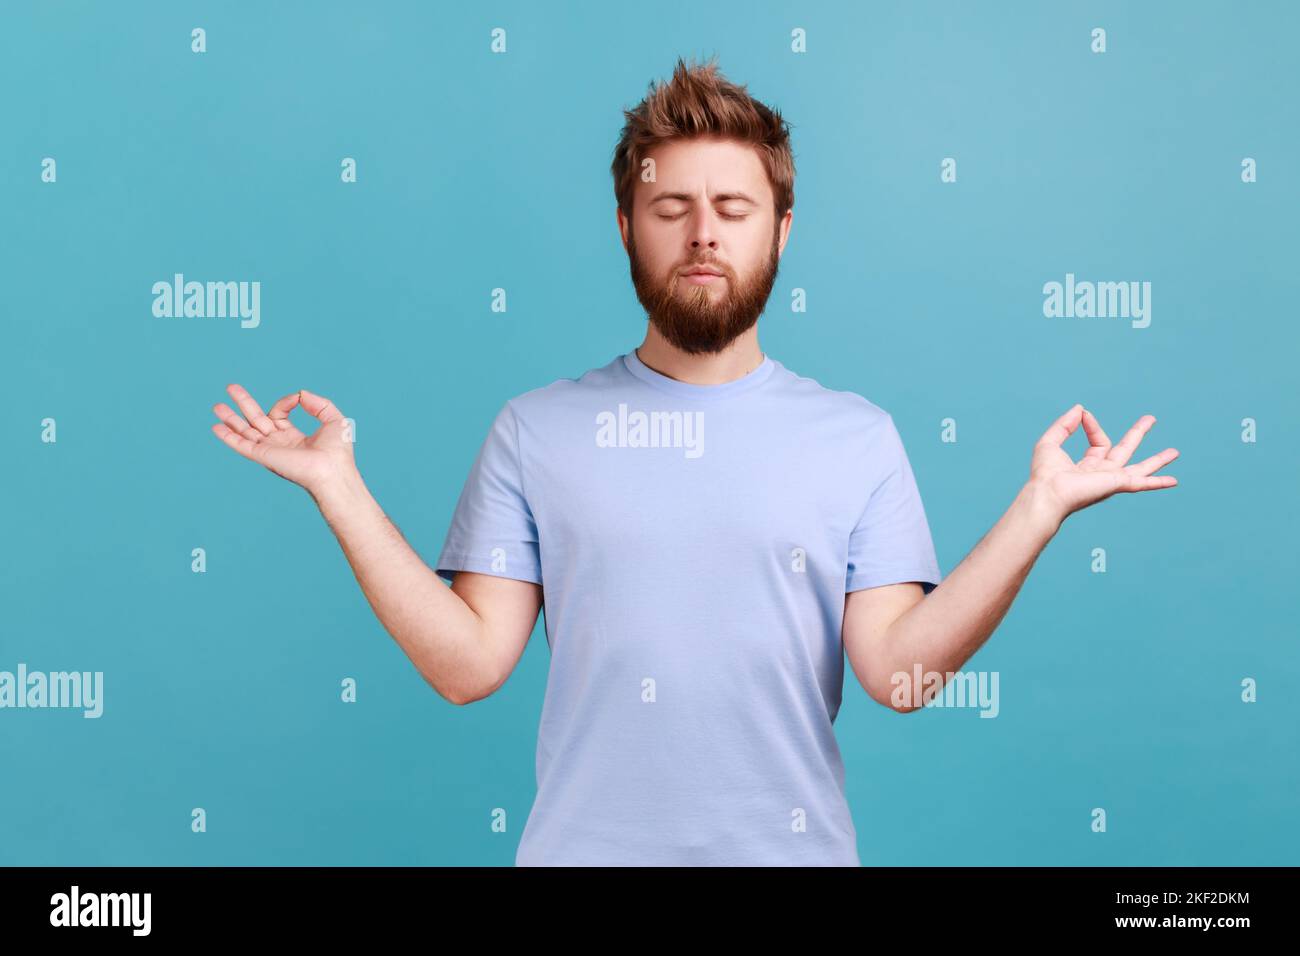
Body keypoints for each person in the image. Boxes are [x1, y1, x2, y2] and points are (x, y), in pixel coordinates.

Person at [209, 56, 1179, 866]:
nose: (704, 232)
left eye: (732, 206)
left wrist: (1037, 509)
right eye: (671, 206)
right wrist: (339, 488)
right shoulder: (534, 430)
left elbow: (898, 674)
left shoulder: (856, 437)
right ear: (627, 226)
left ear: (781, 230)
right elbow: (467, 667)